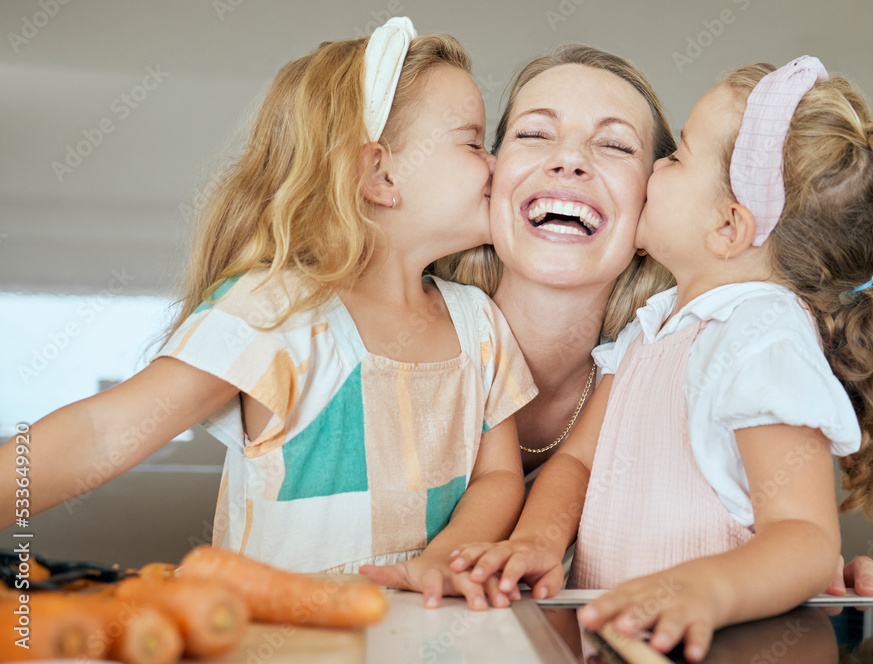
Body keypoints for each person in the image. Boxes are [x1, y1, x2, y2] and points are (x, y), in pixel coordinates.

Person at [0, 20, 536, 608]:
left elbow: (498, 478)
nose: (498, 164)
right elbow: (100, 433)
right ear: (381, 174)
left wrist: (444, 558)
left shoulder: (479, 324)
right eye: (474, 141)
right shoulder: (279, 311)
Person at [449, 55, 873, 659]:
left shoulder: (763, 332)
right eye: (535, 132)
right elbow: (575, 465)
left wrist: (706, 591)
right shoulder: (653, 331)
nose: (658, 171)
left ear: (730, 227)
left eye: (674, 156)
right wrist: (535, 543)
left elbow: (807, 540)